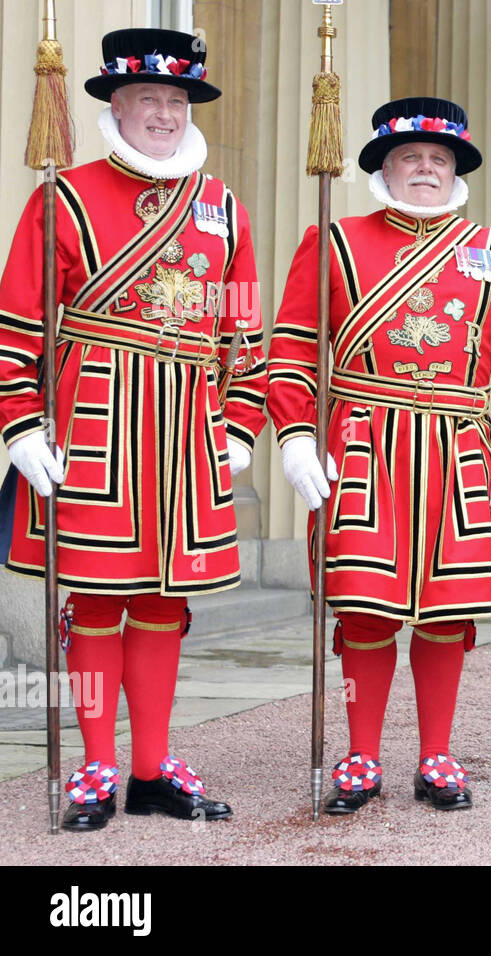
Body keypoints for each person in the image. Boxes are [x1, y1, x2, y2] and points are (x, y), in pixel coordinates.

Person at [0, 29, 266, 829]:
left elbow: (244, 333)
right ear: (115, 104)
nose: (163, 114)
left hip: (188, 429)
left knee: (162, 600)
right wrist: (19, 425)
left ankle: (150, 768)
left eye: (176, 101)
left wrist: (242, 424)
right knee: (98, 598)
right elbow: (17, 323)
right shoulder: (63, 196)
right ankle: (95, 766)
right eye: (147, 99)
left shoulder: (224, 207)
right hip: (93, 425)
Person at [268, 97, 491, 814]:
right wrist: (295, 434)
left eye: (438, 159)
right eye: (410, 158)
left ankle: (437, 753)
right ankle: (360, 755)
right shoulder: (332, 240)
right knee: (364, 609)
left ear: (455, 169)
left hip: (457, 452)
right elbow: (293, 349)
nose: (424, 169)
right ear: (384, 168)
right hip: (363, 448)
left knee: (447, 613)